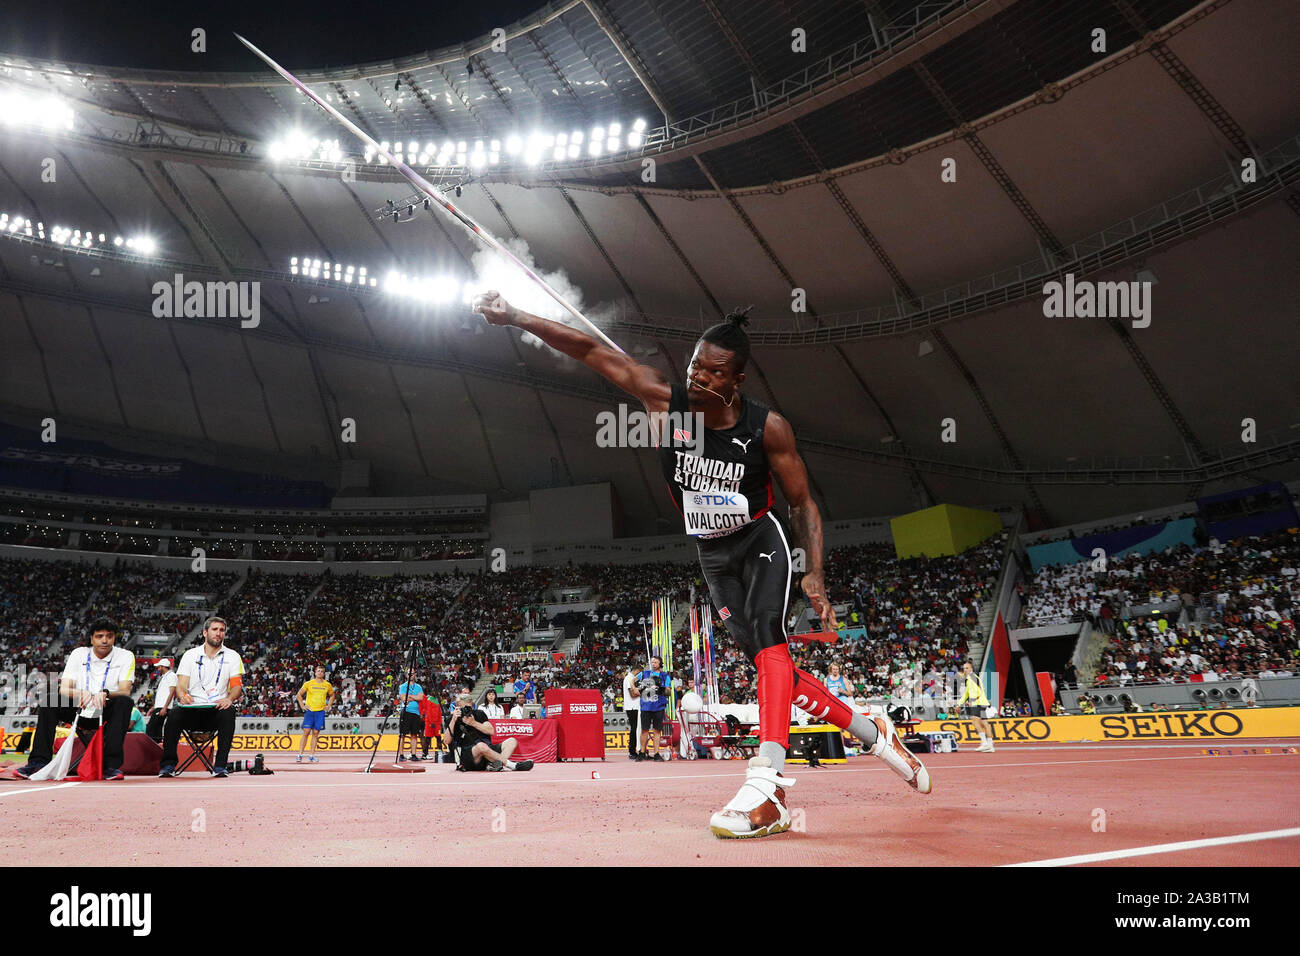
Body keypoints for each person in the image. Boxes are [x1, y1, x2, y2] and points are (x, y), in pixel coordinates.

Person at [473, 293, 930, 838]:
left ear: (737, 381)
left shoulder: (769, 429)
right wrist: (514, 317)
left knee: (768, 637)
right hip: (712, 555)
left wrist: (814, 572)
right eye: (694, 365)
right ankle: (869, 727)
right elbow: (593, 351)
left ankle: (764, 785)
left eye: (713, 373)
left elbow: (802, 501)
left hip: (760, 539)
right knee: (772, 667)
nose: (699, 379)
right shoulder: (669, 406)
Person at [14, 620, 135, 781]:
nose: (105, 640)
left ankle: (110, 766)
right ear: (91, 639)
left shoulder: (125, 656)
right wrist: (80, 693)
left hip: (105, 710)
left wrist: (105, 693)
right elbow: (63, 689)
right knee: (51, 700)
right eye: (100, 636)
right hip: (78, 709)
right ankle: (38, 762)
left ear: (114, 638)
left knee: (125, 702)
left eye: (109, 636)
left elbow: (125, 690)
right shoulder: (79, 654)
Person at [159, 617, 244, 778]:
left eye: (222, 630)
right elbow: (181, 684)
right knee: (175, 714)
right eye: (214, 629)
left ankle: (220, 766)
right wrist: (183, 695)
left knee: (229, 711)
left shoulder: (233, 656)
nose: (218, 633)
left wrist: (229, 699)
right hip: (192, 708)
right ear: (205, 632)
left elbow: (236, 687)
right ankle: (168, 765)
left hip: (216, 709)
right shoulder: (190, 655)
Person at [443, 693, 533, 772]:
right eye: (464, 708)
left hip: (488, 750)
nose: (467, 710)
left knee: (512, 741)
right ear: (458, 706)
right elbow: (446, 741)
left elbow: (491, 731)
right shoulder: (452, 718)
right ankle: (513, 765)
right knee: (481, 746)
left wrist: (474, 723)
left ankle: (494, 765)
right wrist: (454, 720)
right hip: (470, 756)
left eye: (469, 707)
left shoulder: (479, 713)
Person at [296, 664, 336, 763]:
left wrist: (329, 706)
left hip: (320, 712)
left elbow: (332, 695)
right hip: (310, 711)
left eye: (322, 671)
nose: (320, 673)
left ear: (324, 674)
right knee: (306, 732)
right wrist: (302, 706)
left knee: (315, 733)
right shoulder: (309, 683)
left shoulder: (327, 685)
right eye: (318, 671)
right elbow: (299, 695)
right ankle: (300, 754)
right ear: (315, 672)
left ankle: (311, 755)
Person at [957, 661, 995, 752]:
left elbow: (979, 691)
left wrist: (972, 700)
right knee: (985, 723)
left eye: (966, 668)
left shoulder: (972, 677)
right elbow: (966, 694)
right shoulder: (972, 678)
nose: (964, 670)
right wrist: (959, 703)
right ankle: (990, 746)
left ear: (971, 669)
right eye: (964, 668)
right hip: (982, 702)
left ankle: (984, 743)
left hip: (977, 703)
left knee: (974, 720)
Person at [637, 656, 670, 762]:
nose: (653, 664)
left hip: (658, 706)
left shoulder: (665, 676)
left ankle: (656, 753)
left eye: (656, 662)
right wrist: (638, 689)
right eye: (652, 662)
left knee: (657, 731)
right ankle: (642, 752)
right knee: (644, 730)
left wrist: (660, 688)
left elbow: (668, 691)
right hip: (646, 706)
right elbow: (633, 681)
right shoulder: (644, 673)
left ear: (660, 663)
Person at [145, 658, 176, 742]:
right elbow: (162, 695)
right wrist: (153, 708)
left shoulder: (171, 676)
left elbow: (172, 692)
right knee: (156, 730)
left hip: (163, 707)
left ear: (163, 667)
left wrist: (165, 707)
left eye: (159, 667)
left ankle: (153, 749)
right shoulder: (165, 677)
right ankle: (156, 750)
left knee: (151, 730)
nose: (158, 669)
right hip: (160, 706)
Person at [394, 675, 424, 762]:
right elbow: (403, 698)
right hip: (406, 711)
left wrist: (410, 697)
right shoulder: (403, 686)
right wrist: (415, 697)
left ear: (415, 675)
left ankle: (413, 754)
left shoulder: (418, 686)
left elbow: (421, 698)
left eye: (413, 673)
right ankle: (401, 754)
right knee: (402, 734)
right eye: (409, 673)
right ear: (406, 675)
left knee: (414, 734)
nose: (411, 675)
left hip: (416, 713)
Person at [622, 663, 641, 760]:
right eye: (639, 672)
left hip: (634, 706)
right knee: (634, 729)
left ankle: (634, 750)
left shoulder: (630, 678)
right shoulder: (629, 679)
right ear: (636, 670)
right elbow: (633, 695)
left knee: (635, 729)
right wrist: (642, 692)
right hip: (632, 707)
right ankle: (632, 751)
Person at [419, 694, 443, 759]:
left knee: (439, 737)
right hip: (429, 723)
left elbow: (439, 713)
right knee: (427, 739)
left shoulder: (437, 701)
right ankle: (425, 754)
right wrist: (431, 722)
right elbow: (428, 712)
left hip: (437, 723)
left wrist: (440, 723)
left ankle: (440, 753)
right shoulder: (429, 700)